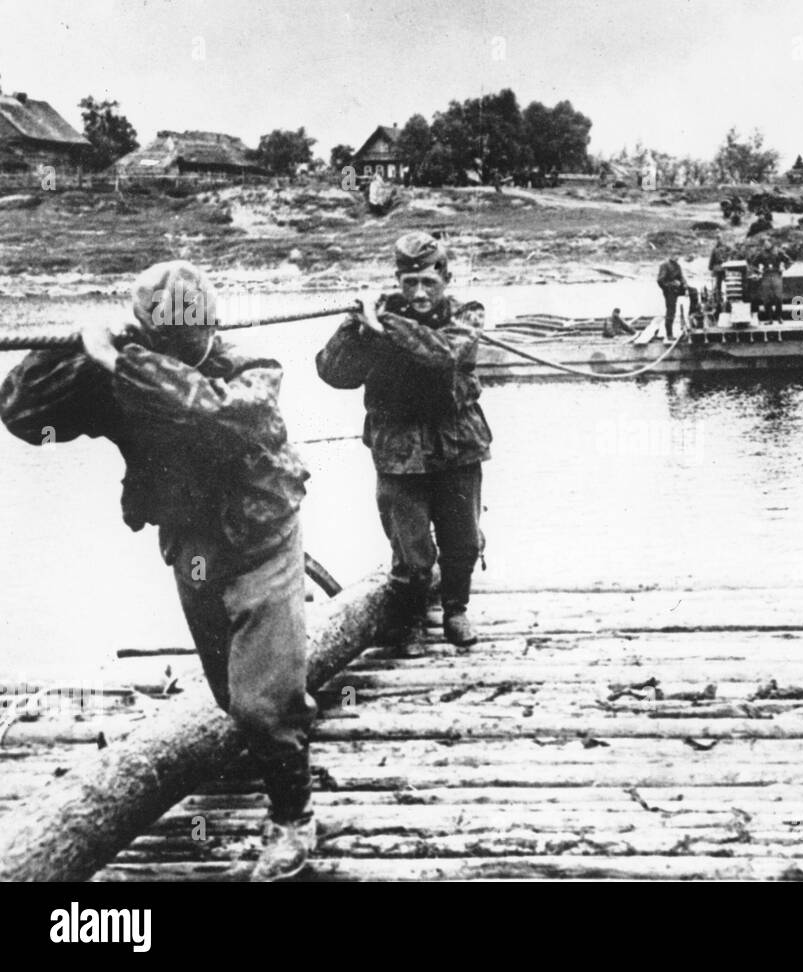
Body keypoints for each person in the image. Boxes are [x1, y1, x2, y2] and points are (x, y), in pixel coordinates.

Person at [0, 261, 316, 881]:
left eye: (190, 343)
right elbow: (22, 417)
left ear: (212, 328)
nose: (183, 354)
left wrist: (123, 362)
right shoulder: (124, 372)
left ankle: (293, 815)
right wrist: (71, 353)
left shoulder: (248, 369)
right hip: (193, 547)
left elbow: (210, 413)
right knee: (231, 693)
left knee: (261, 704)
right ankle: (278, 741)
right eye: (165, 343)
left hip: (262, 540)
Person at [316, 232, 491, 650]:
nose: (418, 293)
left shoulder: (467, 314)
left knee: (462, 541)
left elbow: (443, 355)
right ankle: (410, 620)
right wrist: (355, 327)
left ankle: (456, 610)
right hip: (399, 451)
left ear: (445, 278)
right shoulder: (376, 319)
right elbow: (334, 373)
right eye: (409, 283)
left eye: (429, 282)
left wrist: (384, 325)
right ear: (397, 279)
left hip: (456, 447)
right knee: (410, 553)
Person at [751, 239, 790, 324]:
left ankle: (779, 317)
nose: (766, 245)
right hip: (766, 275)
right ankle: (770, 318)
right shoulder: (761, 253)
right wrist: (758, 271)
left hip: (776, 275)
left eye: (768, 243)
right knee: (767, 298)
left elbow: (788, 261)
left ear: (771, 243)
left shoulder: (778, 251)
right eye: (765, 243)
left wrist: (784, 268)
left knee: (778, 297)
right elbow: (753, 264)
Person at [657, 256, 691, 338]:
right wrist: (670, 285)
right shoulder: (665, 265)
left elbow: (681, 278)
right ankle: (669, 334)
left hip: (678, 289)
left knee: (693, 292)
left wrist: (686, 287)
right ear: (670, 256)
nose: (676, 257)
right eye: (674, 255)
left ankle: (692, 316)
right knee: (671, 310)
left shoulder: (677, 266)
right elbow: (660, 280)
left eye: (677, 255)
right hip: (669, 291)